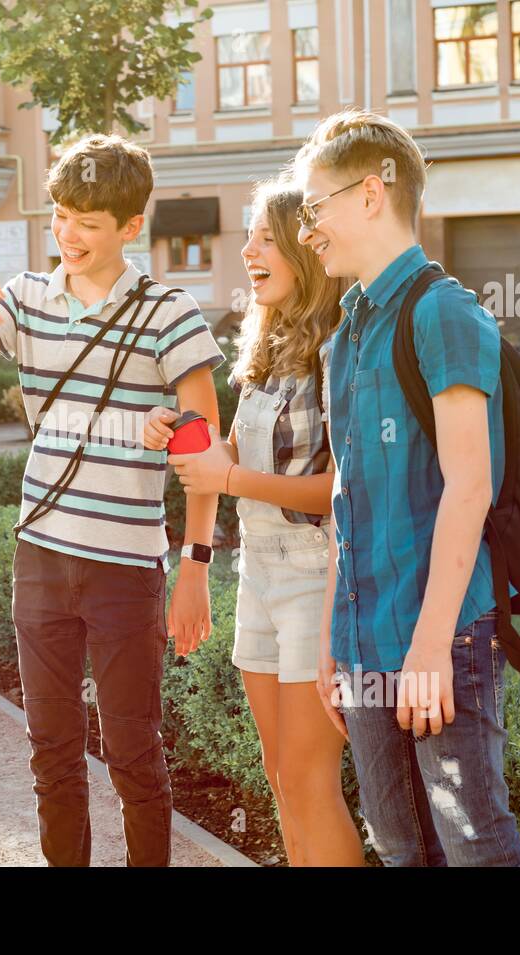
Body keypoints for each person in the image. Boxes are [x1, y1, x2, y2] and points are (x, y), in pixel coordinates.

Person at [0, 133, 226, 866]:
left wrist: (196, 566)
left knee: (133, 753)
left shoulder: (168, 312)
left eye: (88, 221)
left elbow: (205, 446)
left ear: (129, 227)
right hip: (42, 557)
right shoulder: (24, 299)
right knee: (51, 752)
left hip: (126, 567)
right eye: (60, 214)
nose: (69, 233)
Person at [294, 109, 520, 865]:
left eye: (314, 209)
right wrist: (336, 640)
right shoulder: (346, 335)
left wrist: (429, 649)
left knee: (477, 848)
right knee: (400, 847)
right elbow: (348, 497)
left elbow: (471, 487)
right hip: (365, 641)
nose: (307, 232)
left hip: (444, 637)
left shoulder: (444, 312)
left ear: (370, 195)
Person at [142, 177, 364, 866]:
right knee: (278, 777)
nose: (249, 251)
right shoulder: (266, 345)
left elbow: (343, 490)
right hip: (261, 573)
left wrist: (228, 477)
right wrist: (181, 431)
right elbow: (238, 451)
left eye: (266, 237)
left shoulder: (340, 349)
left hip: (317, 575)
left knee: (308, 779)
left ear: (306, 248)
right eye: (250, 236)